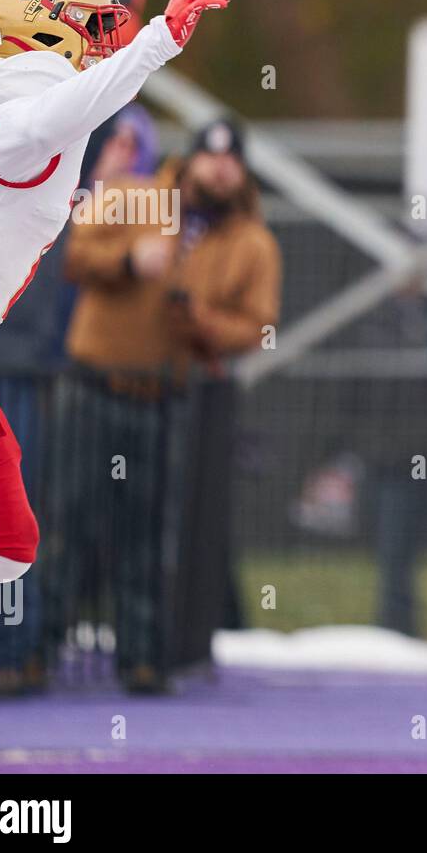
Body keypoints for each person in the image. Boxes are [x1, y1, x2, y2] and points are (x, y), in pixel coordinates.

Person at [0, 0, 230, 585]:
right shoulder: (16, 104)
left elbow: (72, 113)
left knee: (3, 550)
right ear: (42, 29)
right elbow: (53, 116)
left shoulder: (10, 99)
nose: (101, 38)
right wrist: (156, 43)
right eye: (91, 23)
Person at [62, 118, 280, 690]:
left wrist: (201, 322)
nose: (219, 167)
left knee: (150, 535)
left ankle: (142, 659)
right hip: (94, 388)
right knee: (65, 523)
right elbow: (75, 254)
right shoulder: (133, 198)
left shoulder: (250, 241)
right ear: (188, 161)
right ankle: (33, 650)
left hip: (164, 398)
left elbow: (259, 326)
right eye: (209, 157)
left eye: (231, 159)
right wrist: (131, 263)